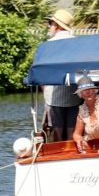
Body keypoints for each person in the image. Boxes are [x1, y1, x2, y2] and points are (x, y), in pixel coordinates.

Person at [42, 9, 80, 138]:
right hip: (74, 93)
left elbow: (42, 71)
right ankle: (71, 147)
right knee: (71, 129)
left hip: (54, 95)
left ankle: (59, 146)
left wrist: (44, 90)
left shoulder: (48, 45)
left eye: (50, 23)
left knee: (57, 131)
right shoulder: (77, 43)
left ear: (56, 25)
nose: (49, 26)